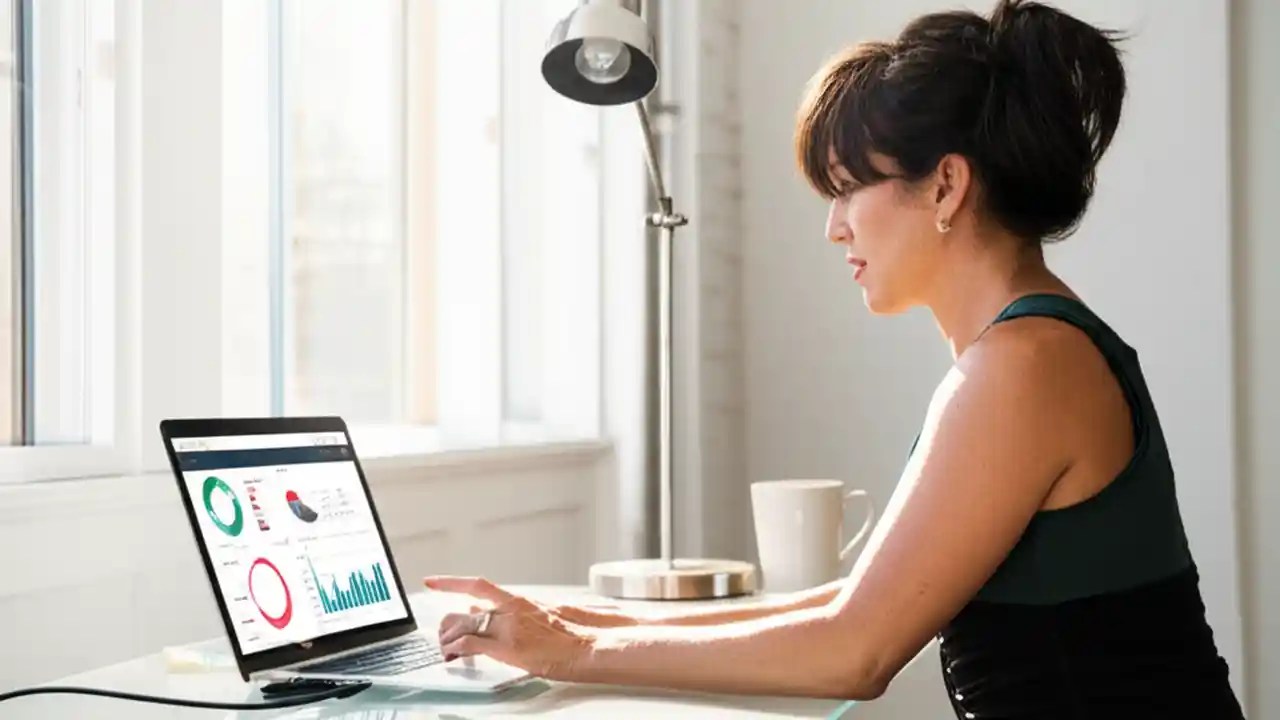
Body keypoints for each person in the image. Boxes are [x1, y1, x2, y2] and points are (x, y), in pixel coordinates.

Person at [424, 1, 1245, 716]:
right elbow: (852, 604)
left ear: (946, 186)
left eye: (849, 187)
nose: (834, 226)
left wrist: (571, 654)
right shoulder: (1026, 353)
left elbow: (853, 649)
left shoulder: (1023, 368)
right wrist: (581, 626)